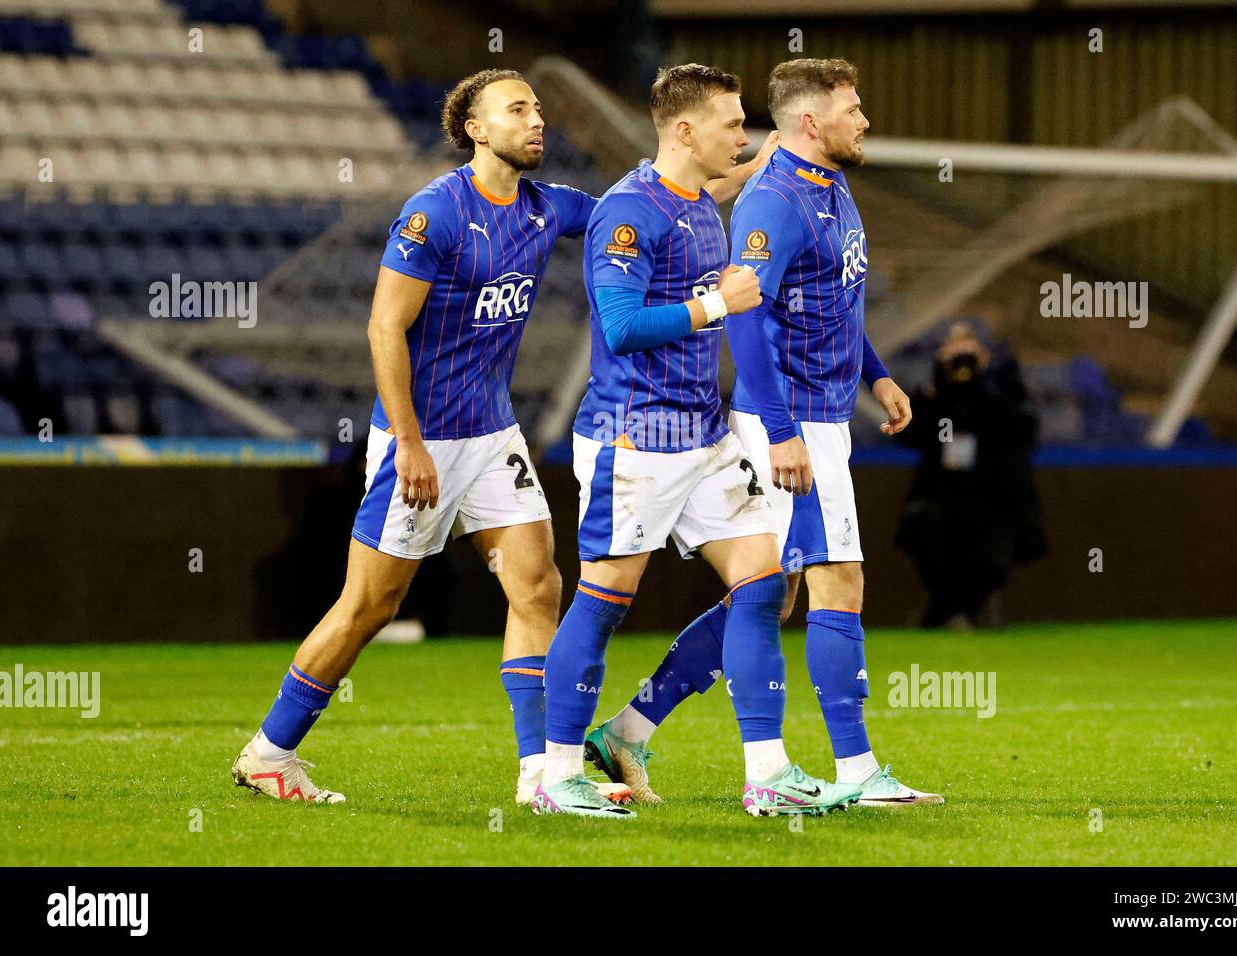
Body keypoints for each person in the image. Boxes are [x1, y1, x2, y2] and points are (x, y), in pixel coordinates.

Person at [231, 67, 775, 807]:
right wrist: (411, 444)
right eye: (517, 109)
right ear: (475, 129)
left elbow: (659, 202)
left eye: (538, 107)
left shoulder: (547, 207)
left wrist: (760, 162)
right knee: (369, 607)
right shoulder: (435, 214)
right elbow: (384, 326)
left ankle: (540, 773)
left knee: (537, 585)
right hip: (423, 437)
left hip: (493, 434)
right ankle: (270, 750)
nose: (537, 119)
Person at [585, 58, 943, 808]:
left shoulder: (830, 186)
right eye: (852, 108)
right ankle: (853, 771)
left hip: (823, 412)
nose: (864, 120)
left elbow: (835, 301)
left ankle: (630, 727)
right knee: (835, 577)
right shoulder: (774, 202)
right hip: (787, 419)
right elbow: (744, 314)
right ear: (812, 122)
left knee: (769, 590)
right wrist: (781, 432)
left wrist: (875, 373)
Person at [533, 63, 863, 819]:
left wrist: (778, 149)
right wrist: (717, 301)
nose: (742, 136)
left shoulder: (696, 198)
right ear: (685, 131)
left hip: (703, 436)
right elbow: (619, 328)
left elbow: (722, 181)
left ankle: (766, 772)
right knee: (604, 602)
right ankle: (556, 773)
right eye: (731, 124)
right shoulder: (628, 214)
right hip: (635, 438)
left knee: (764, 582)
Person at [894, 321, 1047, 628]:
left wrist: (982, 382)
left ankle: (954, 613)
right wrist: (940, 386)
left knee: (991, 558)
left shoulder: (1004, 387)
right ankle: (951, 613)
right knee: (931, 544)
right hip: (941, 497)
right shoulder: (936, 392)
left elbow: (1022, 431)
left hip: (993, 497)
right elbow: (907, 434)